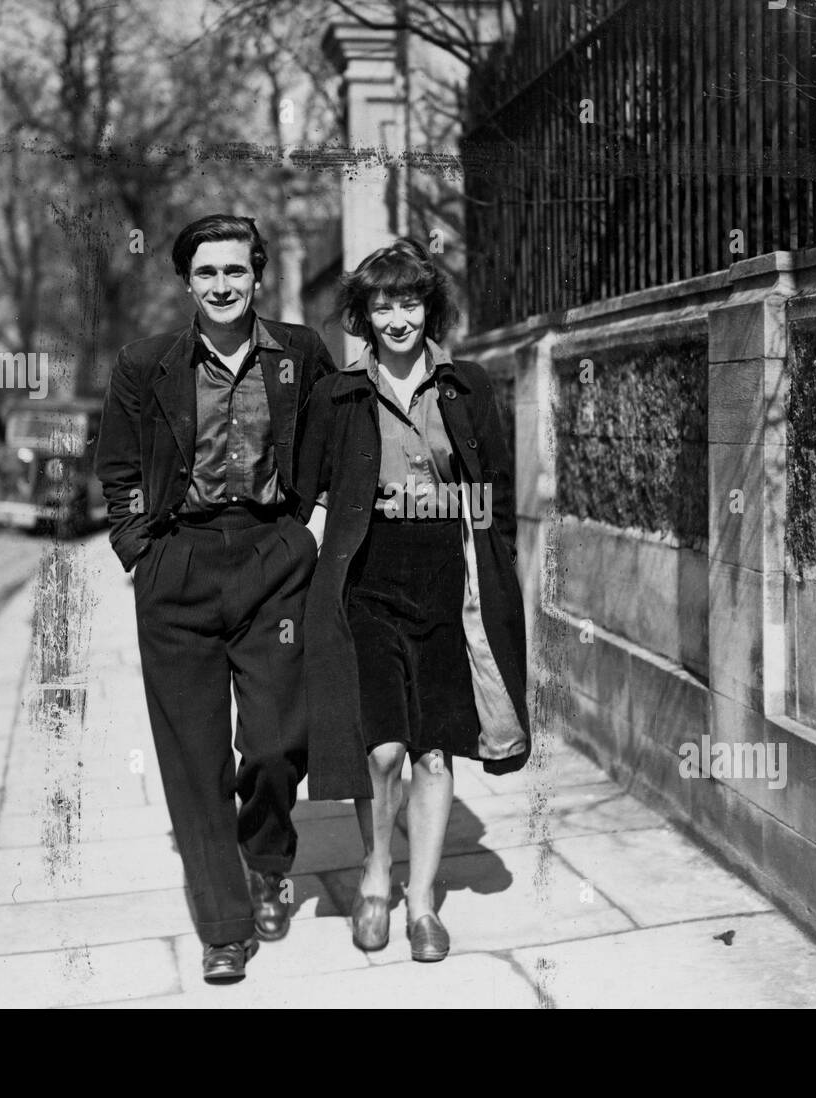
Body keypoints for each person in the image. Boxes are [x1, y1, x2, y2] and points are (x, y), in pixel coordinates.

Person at [95, 214, 334, 984]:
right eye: (207, 272)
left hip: (274, 557)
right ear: (186, 282)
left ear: (257, 275)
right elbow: (118, 468)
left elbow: (333, 446)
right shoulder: (145, 365)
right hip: (180, 565)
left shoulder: (300, 353)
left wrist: (312, 530)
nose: (222, 285)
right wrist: (141, 552)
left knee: (275, 740)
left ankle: (267, 858)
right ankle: (224, 927)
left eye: (235, 270)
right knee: (193, 759)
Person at [296, 238, 530, 963]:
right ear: (363, 315)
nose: (398, 319)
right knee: (383, 749)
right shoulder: (336, 395)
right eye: (382, 305)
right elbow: (305, 492)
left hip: (445, 580)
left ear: (430, 308)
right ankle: (375, 874)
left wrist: (495, 574)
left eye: (410, 303)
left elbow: (494, 495)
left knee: (432, 752)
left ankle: (422, 902)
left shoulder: (467, 386)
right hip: (368, 579)